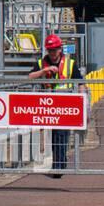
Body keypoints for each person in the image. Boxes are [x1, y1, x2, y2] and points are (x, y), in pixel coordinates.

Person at [27, 33, 76, 178]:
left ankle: (58, 167)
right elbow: (30, 77)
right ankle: (60, 164)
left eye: (55, 50)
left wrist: (84, 103)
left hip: (65, 105)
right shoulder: (42, 63)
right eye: (50, 50)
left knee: (61, 135)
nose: (53, 53)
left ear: (60, 49)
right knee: (55, 136)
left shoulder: (69, 64)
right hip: (48, 106)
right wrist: (44, 71)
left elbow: (80, 82)